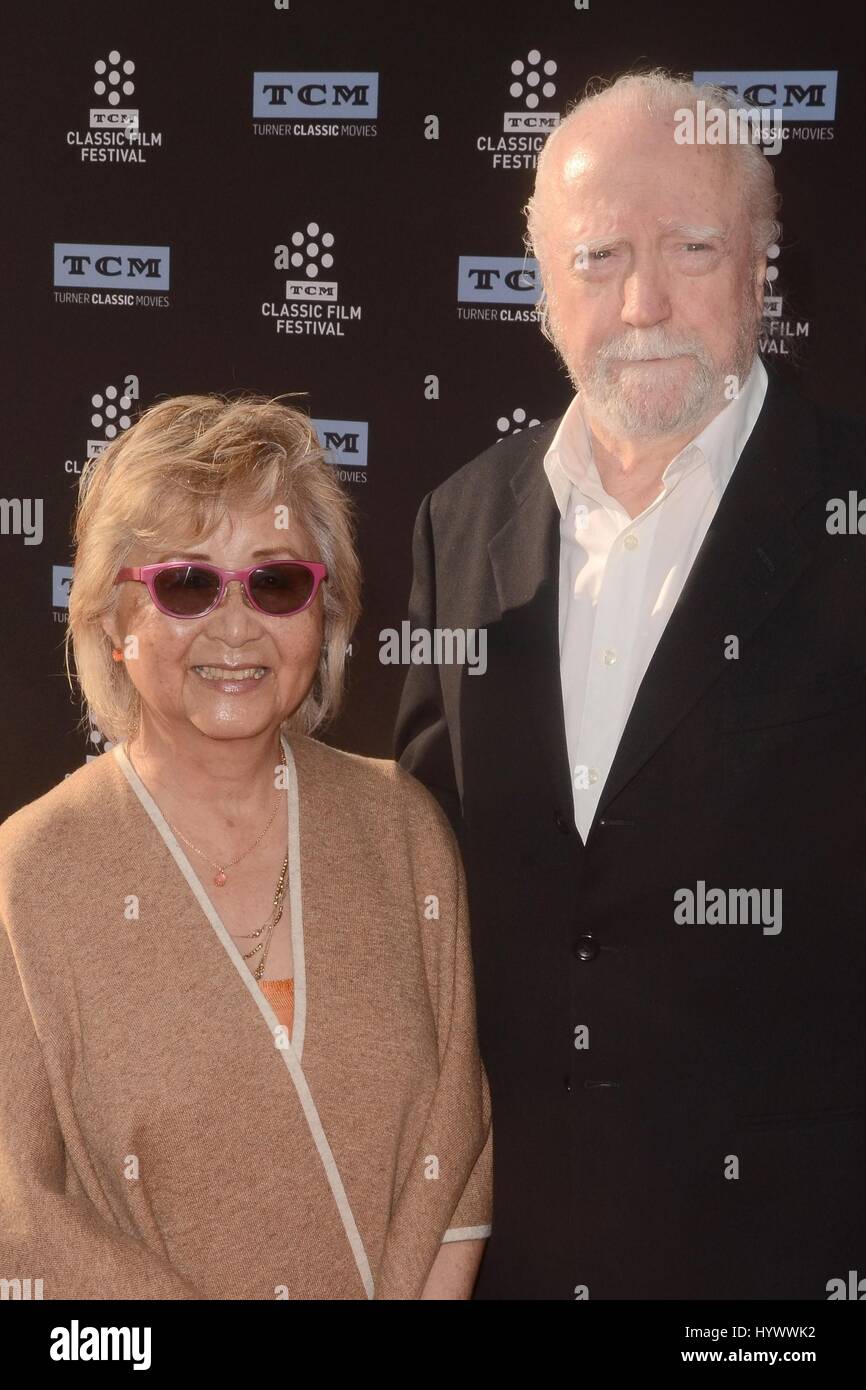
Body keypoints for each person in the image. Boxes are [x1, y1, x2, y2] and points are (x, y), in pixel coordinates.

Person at [395, 69, 866, 1299]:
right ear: (543, 292)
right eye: (598, 256)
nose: (642, 301)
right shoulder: (461, 523)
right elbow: (419, 872)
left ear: (761, 262)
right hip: (509, 1252)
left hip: (789, 1261)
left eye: (691, 248)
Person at [0, 393, 491, 1300]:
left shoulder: (402, 829)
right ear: (114, 617)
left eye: (276, 583)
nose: (236, 628)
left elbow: (455, 1151)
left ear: (325, 614)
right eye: (187, 583)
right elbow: (18, 1214)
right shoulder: (28, 873)